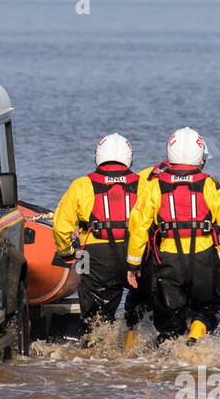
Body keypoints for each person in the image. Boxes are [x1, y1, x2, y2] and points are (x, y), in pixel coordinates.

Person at [125, 127, 220, 345]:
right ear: (200, 157)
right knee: (208, 309)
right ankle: (194, 335)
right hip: (204, 260)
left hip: (168, 262)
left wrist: (133, 265)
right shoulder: (212, 185)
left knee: (168, 322)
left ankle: (162, 355)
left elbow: (138, 227)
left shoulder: (155, 185)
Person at [51, 134, 157, 344]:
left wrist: (68, 254)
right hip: (136, 254)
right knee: (142, 307)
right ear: (129, 158)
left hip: (94, 257)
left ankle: (97, 355)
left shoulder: (81, 185)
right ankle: (131, 345)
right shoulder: (145, 186)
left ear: (97, 157)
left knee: (96, 320)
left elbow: (61, 227)